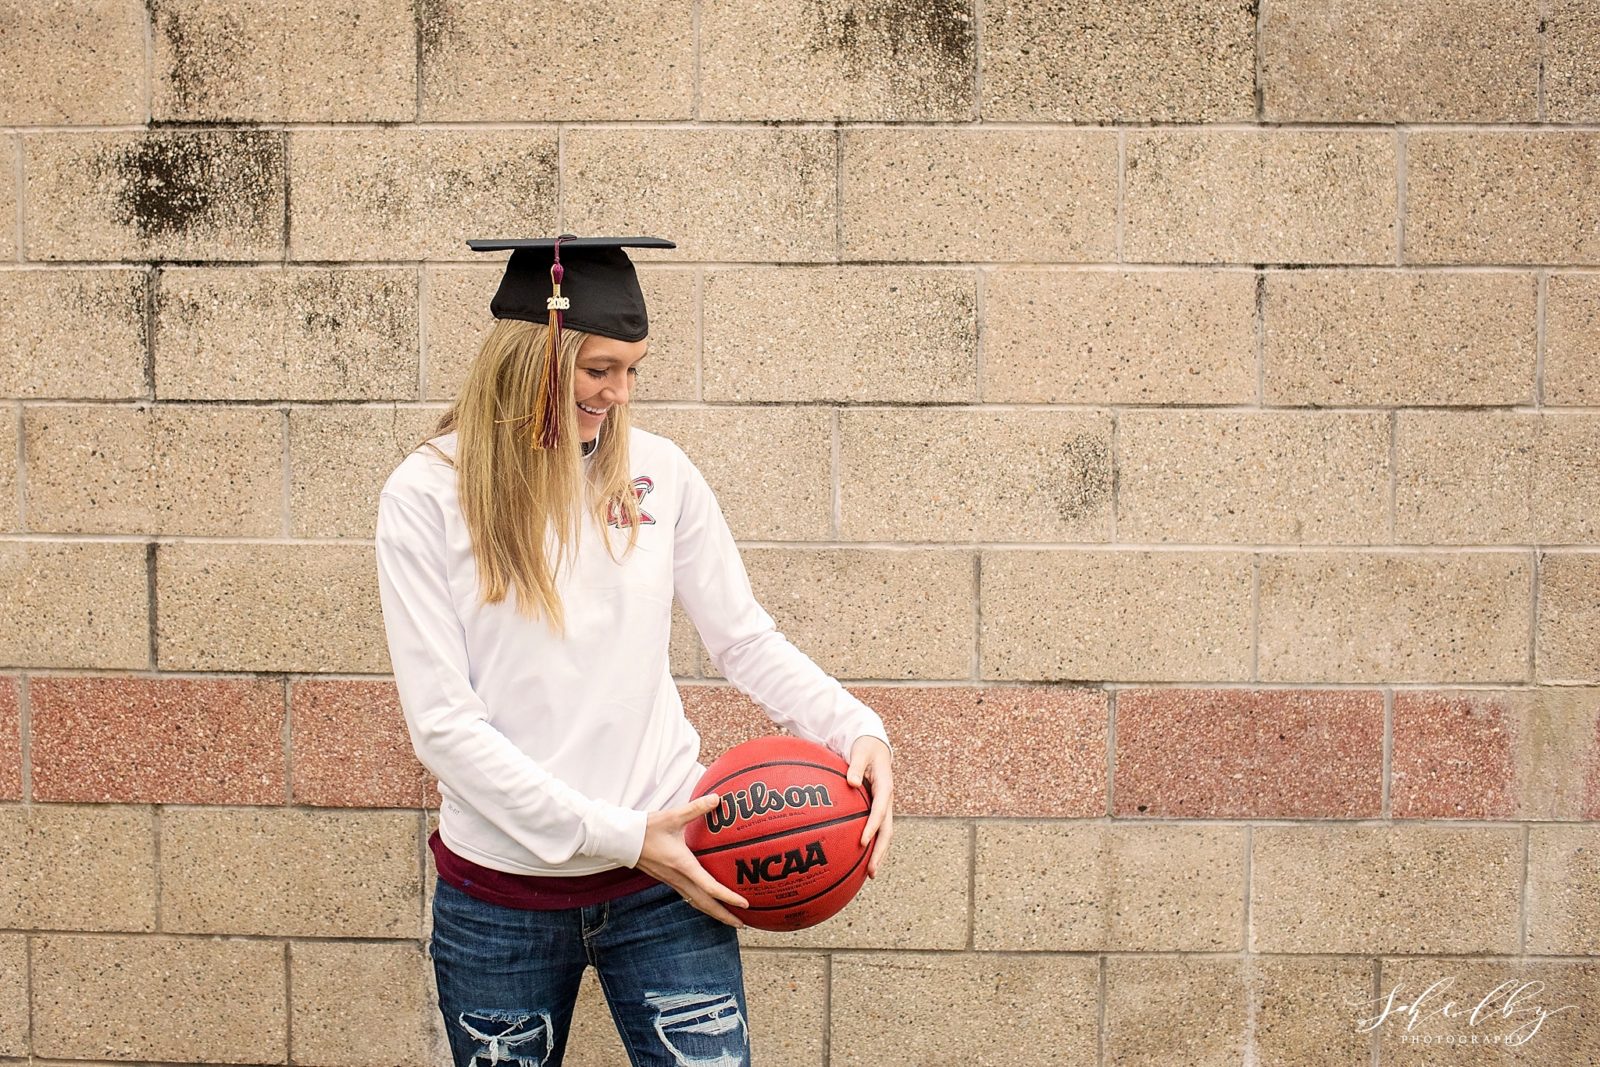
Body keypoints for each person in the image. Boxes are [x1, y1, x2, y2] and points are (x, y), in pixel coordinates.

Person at [374, 235, 895, 1066]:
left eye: (634, 371)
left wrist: (855, 727)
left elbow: (743, 637)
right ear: (532, 353)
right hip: (503, 897)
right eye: (599, 369)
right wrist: (618, 833)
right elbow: (442, 726)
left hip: (666, 884)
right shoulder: (427, 493)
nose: (619, 394)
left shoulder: (661, 473)